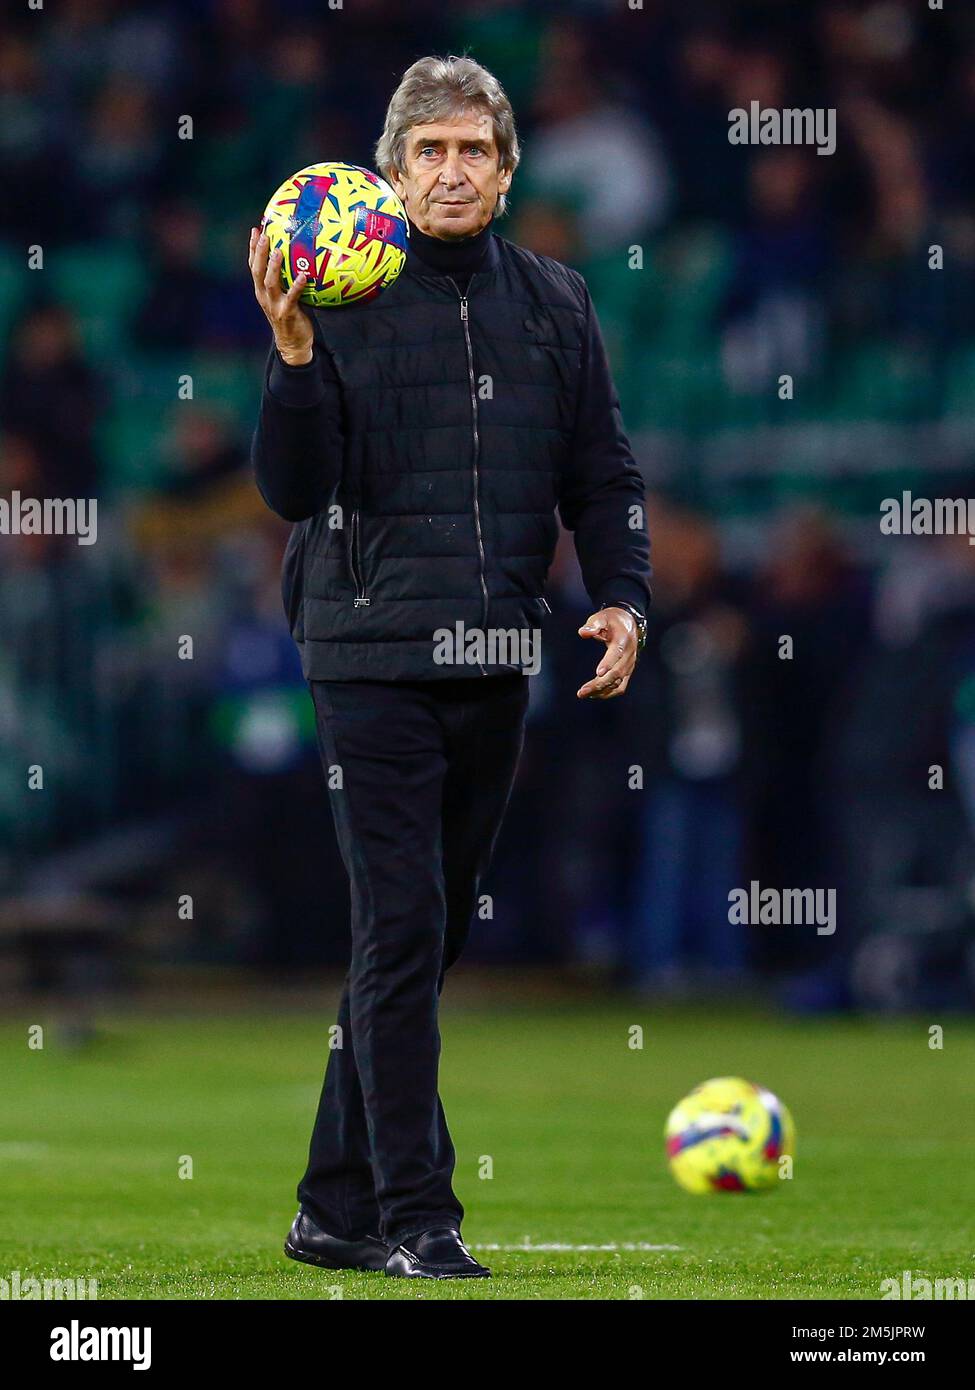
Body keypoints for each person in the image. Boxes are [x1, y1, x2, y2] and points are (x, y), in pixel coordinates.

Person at [249, 55, 650, 1280]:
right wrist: (295, 355)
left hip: (493, 656)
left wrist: (625, 597)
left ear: (509, 168)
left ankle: (330, 1204)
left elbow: (604, 473)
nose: (453, 170)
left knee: (417, 948)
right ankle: (421, 1216)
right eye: (429, 150)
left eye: (474, 149)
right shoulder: (339, 299)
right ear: (391, 168)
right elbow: (288, 491)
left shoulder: (558, 302)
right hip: (367, 650)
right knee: (407, 924)